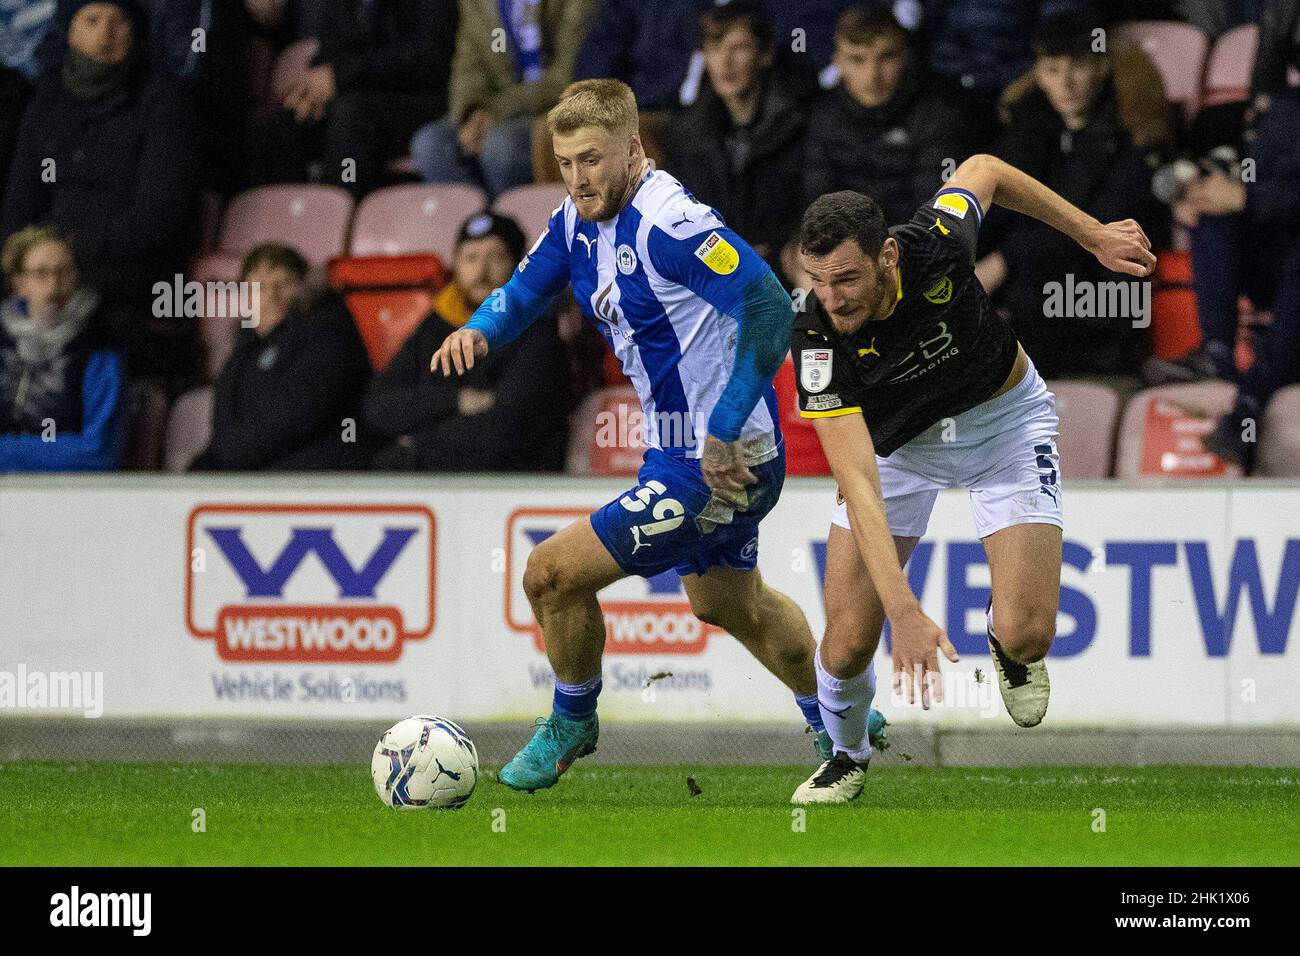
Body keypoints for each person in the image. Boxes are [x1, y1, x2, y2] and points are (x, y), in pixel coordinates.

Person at [431, 78, 883, 792]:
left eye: (592, 159)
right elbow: (524, 290)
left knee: (550, 573)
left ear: (632, 149)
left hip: (722, 460)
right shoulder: (576, 220)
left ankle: (572, 719)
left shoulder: (669, 225)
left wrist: (727, 427)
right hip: (681, 453)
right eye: (565, 160)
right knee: (730, 604)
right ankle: (840, 711)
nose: (579, 177)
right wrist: (479, 331)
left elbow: (770, 305)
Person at [788, 154, 1154, 803]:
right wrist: (903, 610)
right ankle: (846, 755)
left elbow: (986, 169)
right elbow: (860, 482)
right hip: (896, 452)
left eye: (846, 278)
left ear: (889, 256)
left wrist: (1092, 234)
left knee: (1028, 631)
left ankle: (1007, 643)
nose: (832, 299)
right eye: (817, 280)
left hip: (1003, 426)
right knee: (844, 649)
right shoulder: (816, 337)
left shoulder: (936, 242)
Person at [975, 9, 1169, 377]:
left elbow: (1107, 222)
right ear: (1039, 76)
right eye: (1051, 70)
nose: (1065, 83)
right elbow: (995, 204)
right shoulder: (1028, 123)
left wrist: (1004, 260)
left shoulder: (1135, 128)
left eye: (1076, 67)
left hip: (1097, 283)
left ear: (1102, 67)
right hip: (1036, 275)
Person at [365, 211, 570, 470]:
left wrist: (414, 446)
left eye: (496, 257)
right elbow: (378, 406)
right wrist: (456, 401)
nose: (481, 271)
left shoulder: (537, 332)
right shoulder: (437, 324)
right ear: (456, 265)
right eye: (471, 258)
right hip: (432, 479)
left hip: (506, 488)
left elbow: (506, 428)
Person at [246, 0, 457, 197]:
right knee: (273, 130)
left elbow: (428, 55)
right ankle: (289, 227)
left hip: (416, 101)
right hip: (351, 97)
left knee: (352, 120)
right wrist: (311, 93)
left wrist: (340, 77)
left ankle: (336, 217)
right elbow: (329, 47)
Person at [192, 243, 373, 471]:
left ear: (304, 288)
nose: (271, 295)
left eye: (284, 284)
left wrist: (216, 462)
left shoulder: (329, 331)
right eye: (260, 287)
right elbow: (225, 429)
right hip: (259, 474)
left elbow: (295, 412)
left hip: (317, 476)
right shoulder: (241, 353)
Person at [667, 1, 806, 280]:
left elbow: (811, 203)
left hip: (782, 259)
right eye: (715, 50)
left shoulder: (799, 121)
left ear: (765, 54)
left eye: (739, 48)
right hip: (713, 263)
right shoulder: (688, 130)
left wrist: (776, 249)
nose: (725, 62)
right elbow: (680, 216)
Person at [802, 6, 970, 228]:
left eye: (886, 57)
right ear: (838, 62)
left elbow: (936, 217)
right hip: (847, 249)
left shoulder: (939, 111)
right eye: (857, 59)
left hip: (915, 249)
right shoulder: (823, 114)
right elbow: (816, 205)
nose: (872, 75)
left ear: (905, 57)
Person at [409, 0, 596, 197]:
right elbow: (469, 66)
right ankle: (480, 224)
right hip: (498, 109)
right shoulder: (478, 3)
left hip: (556, 109)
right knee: (431, 144)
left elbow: (571, 75)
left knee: (502, 147)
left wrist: (497, 111)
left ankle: (512, 225)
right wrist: (472, 112)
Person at [0, 227, 125, 471]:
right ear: (19, 283)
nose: (54, 286)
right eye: (41, 273)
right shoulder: (3, 341)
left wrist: (7, 453)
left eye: (64, 272)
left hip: (70, 490)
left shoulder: (99, 344)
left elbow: (98, 450)